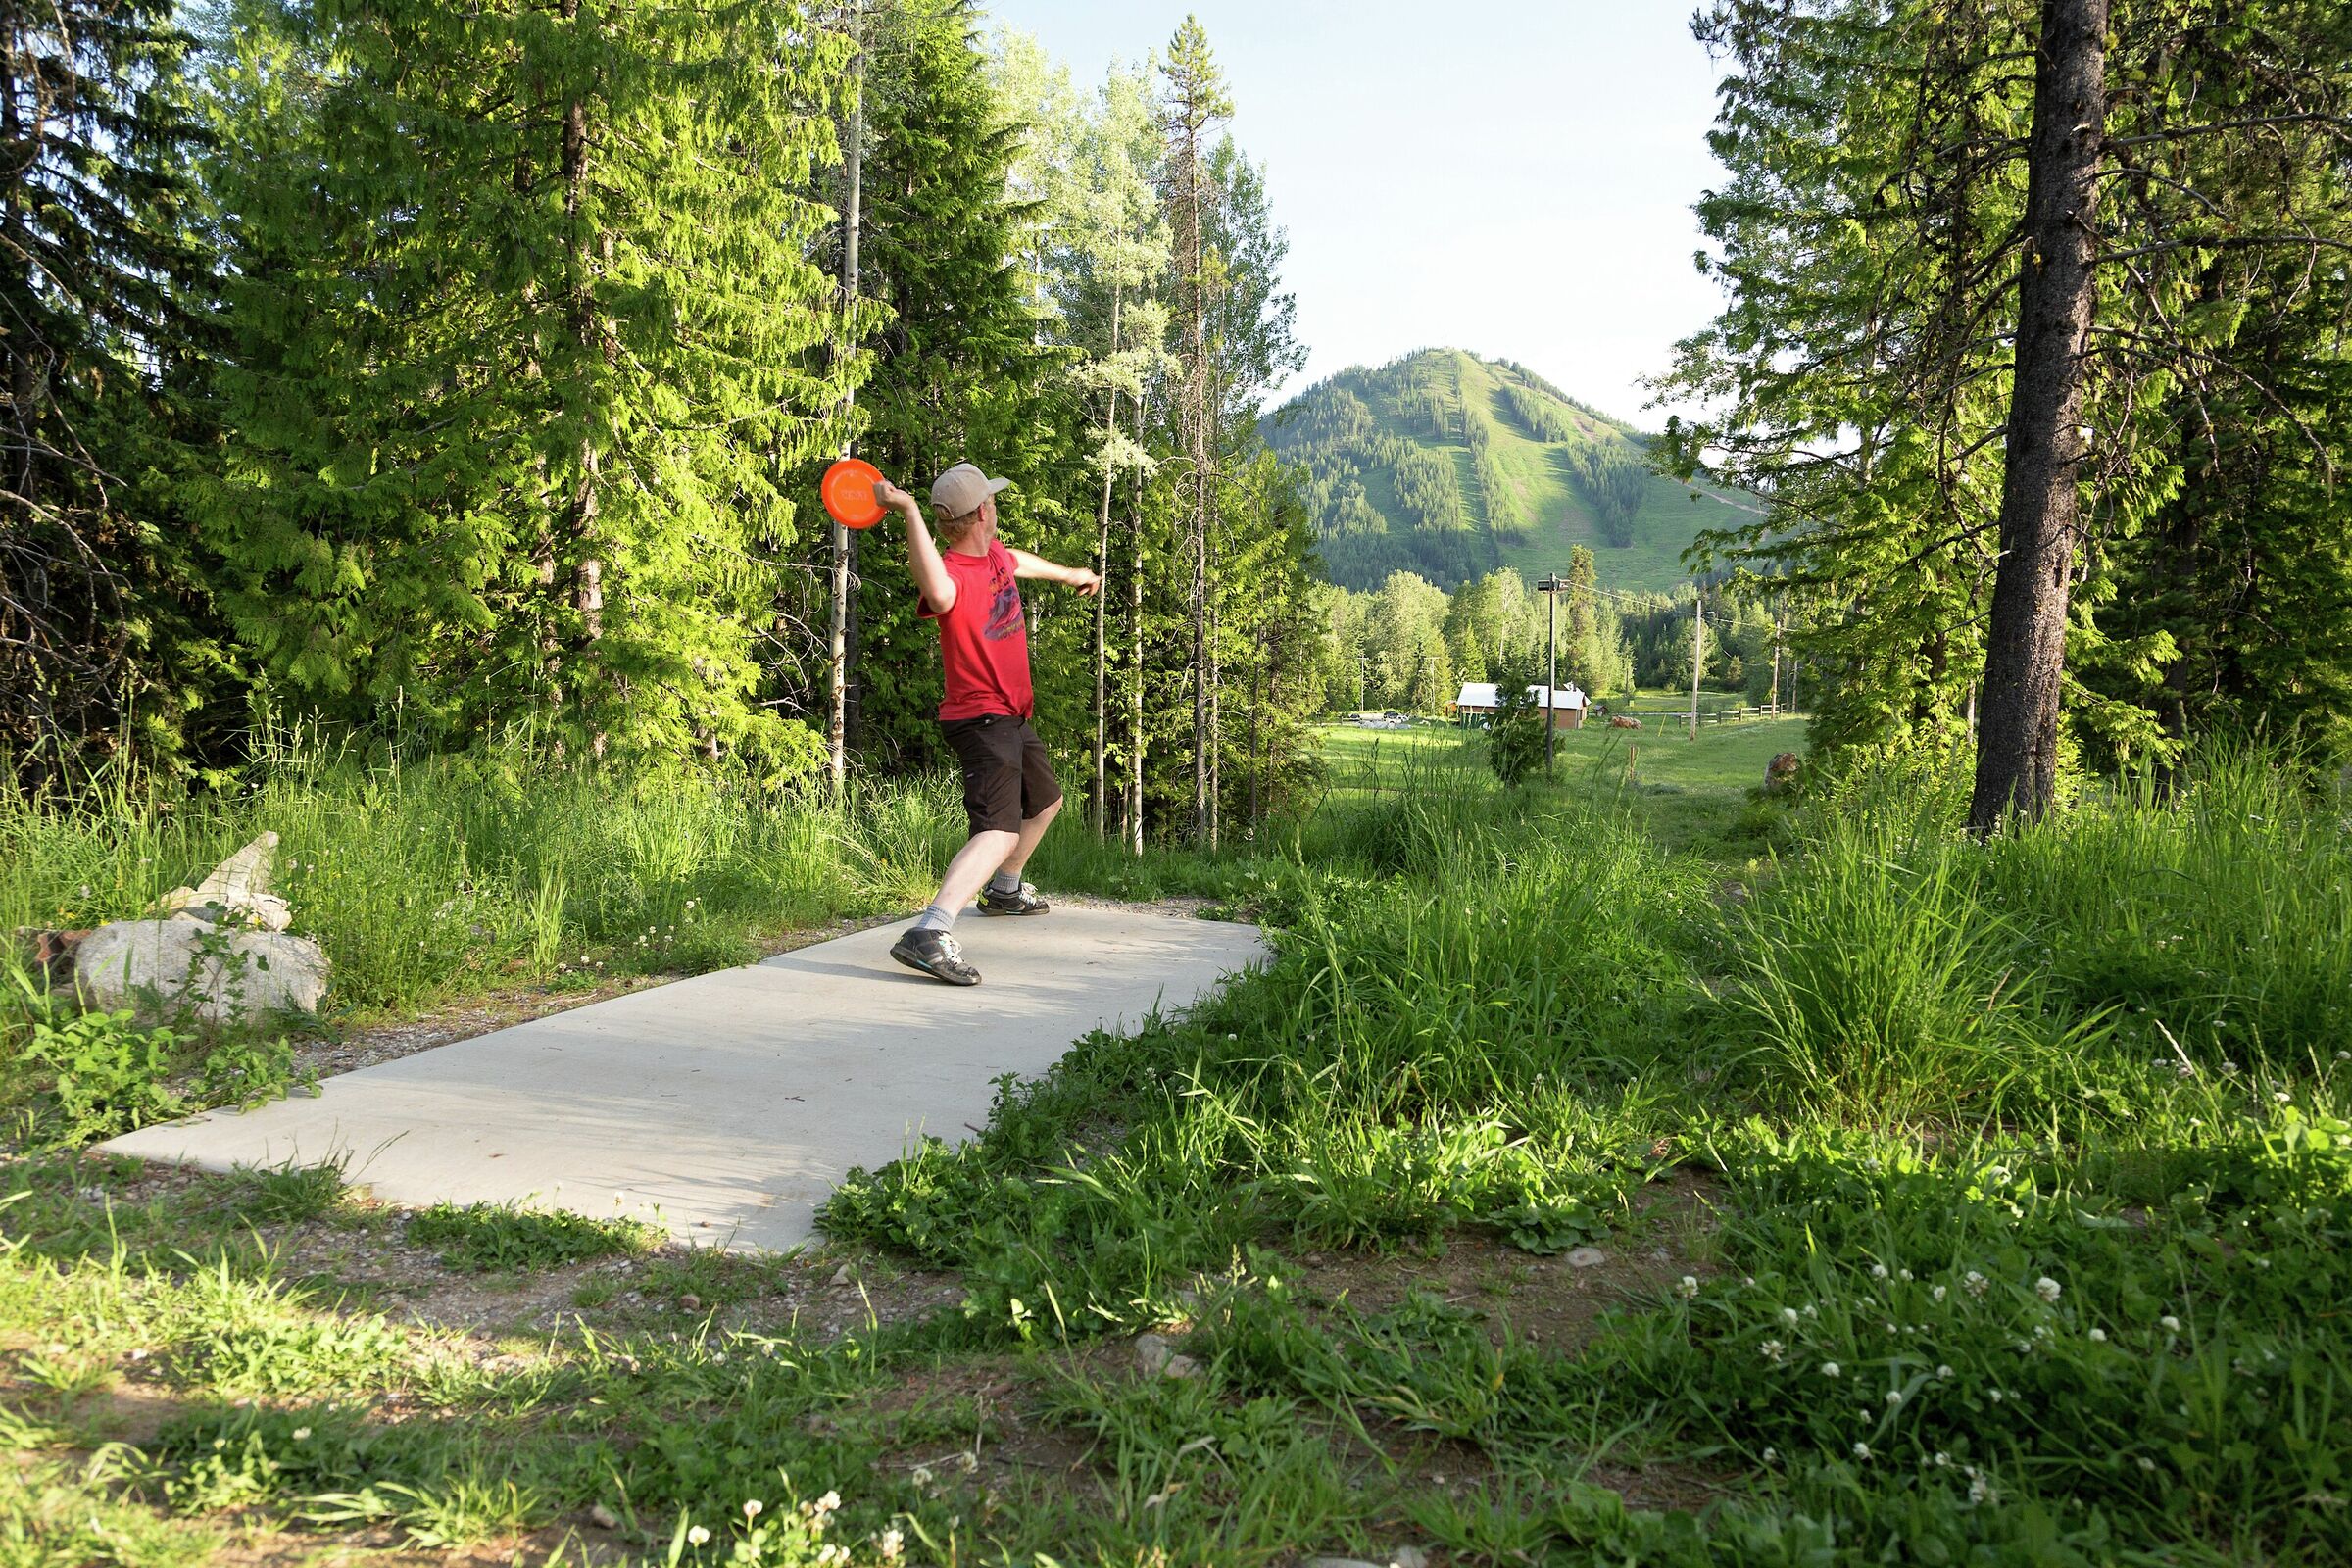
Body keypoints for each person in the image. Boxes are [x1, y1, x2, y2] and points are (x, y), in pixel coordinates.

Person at [872, 463, 1100, 985]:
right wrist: (907, 511)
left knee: (1045, 802)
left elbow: (1018, 561)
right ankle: (930, 929)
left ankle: (1004, 890)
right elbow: (932, 581)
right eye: (992, 502)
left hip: (1012, 713)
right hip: (981, 717)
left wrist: (1070, 575)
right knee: (997, 831)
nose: (996, 508)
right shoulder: (951, 577)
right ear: (982, 513)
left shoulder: (993, 554)